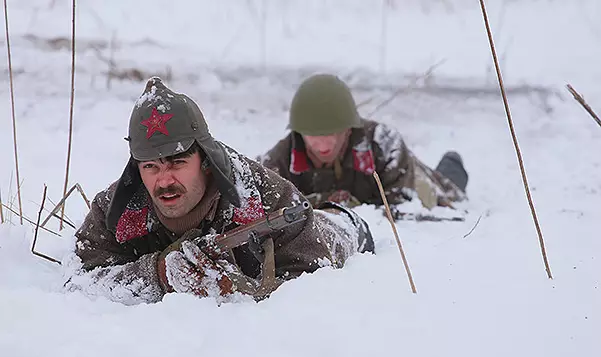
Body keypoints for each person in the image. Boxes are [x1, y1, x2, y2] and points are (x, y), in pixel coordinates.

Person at [66, 77, 374, 305]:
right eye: (150, 167)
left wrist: (240, 289)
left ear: (206, 160)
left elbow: (315, 277)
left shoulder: (264, 196)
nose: (164, 180)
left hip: (336, 231)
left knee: (340, 226)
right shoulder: (115, 211)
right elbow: (79, 282)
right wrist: (159, 274)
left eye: (177, 162)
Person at [260, 73, 469, 214]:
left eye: (332, 133)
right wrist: (328, 201)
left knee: (441, 193)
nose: (323, 145)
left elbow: (404, 211)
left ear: (349, 129)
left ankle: (452, 164)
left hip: (413, 178)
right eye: (313, 135)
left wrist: (341, 206)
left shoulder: (384, 145)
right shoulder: (279, 160)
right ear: (298, 132)